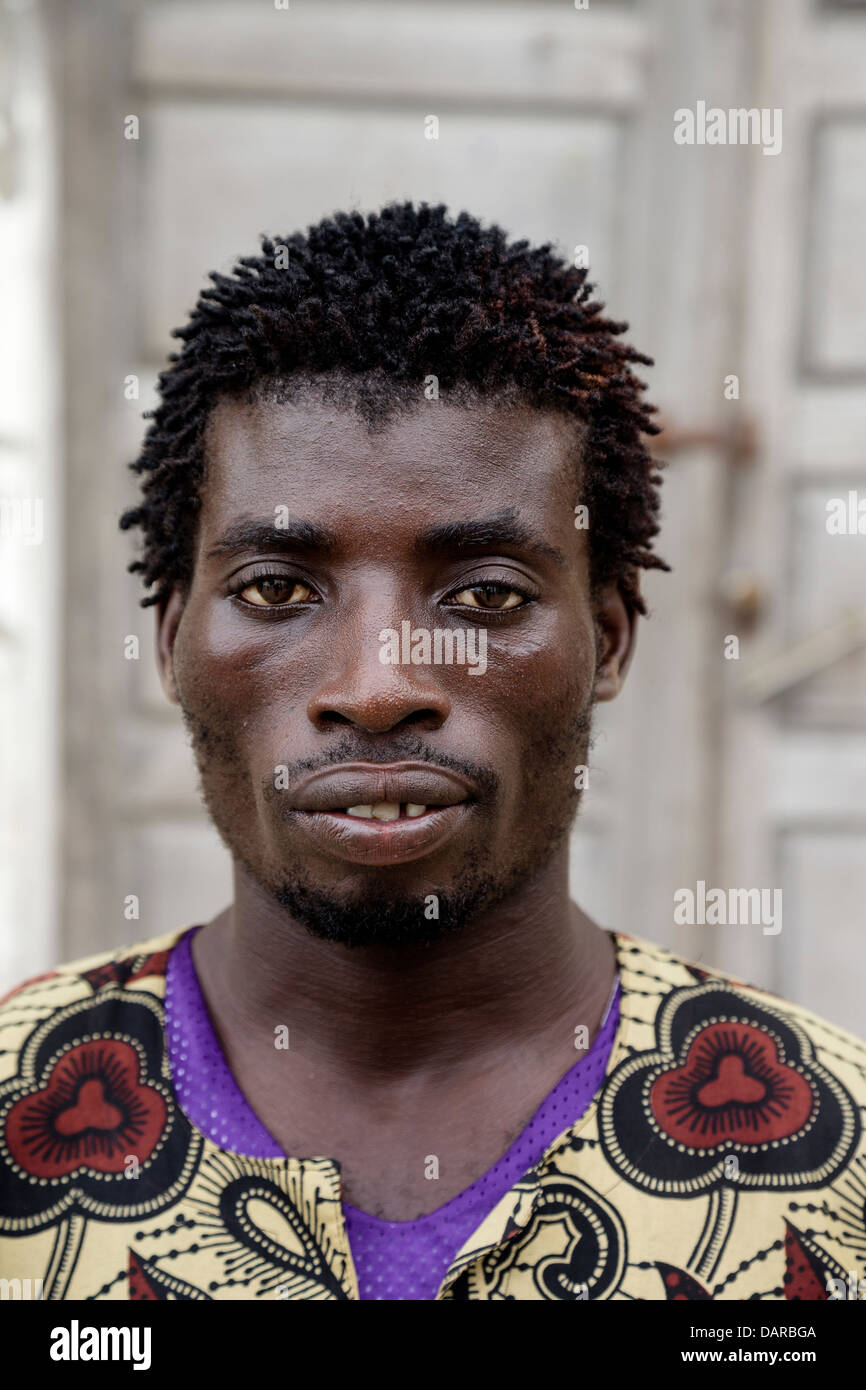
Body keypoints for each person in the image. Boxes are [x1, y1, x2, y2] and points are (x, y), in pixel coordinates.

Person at [1, 202, 863, 1302]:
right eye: (277, 589)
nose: (375, 685)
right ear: (172, 640)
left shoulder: (832, 1157)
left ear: (605, 638)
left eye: (485, 594)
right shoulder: (18, 1125)